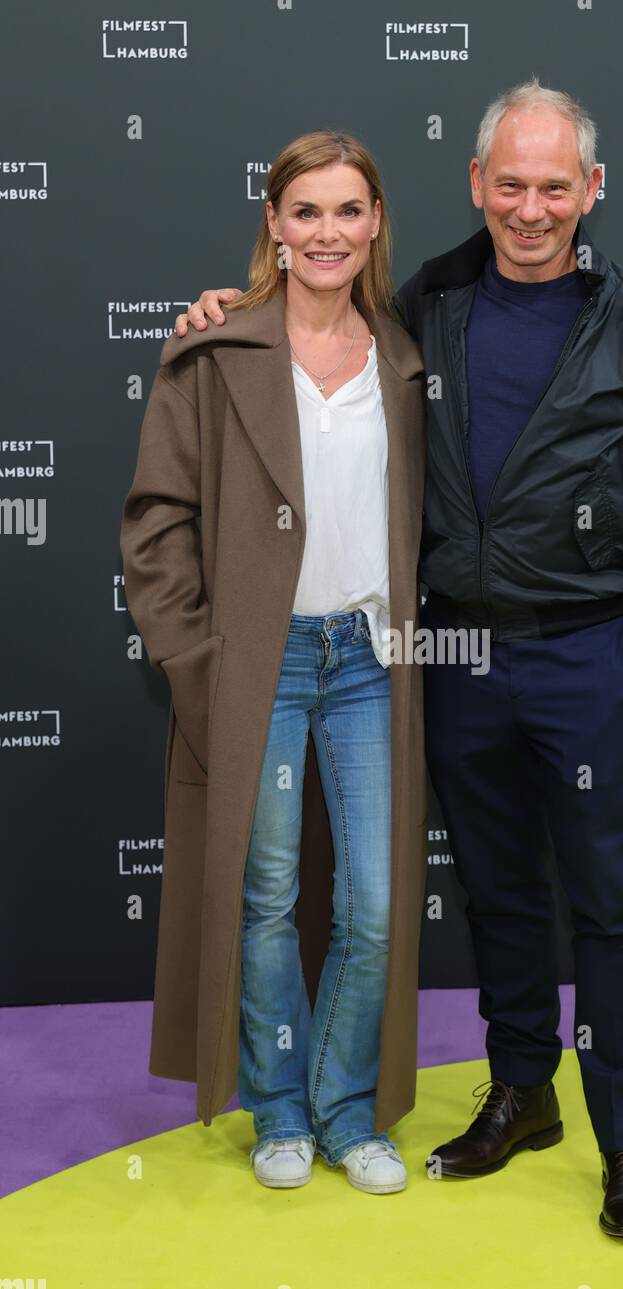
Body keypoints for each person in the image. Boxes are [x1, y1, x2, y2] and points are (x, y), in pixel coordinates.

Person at [174, 79, 623, 1238]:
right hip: (453, 654)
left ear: (591, 190)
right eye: (510, 185)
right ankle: (522, 1091)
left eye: (554, 187)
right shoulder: (425, 302)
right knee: (498, 895)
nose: (531, 209)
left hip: (593, 655)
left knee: (614, 908)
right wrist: (225, 312)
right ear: (476, 185)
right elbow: (304, 325)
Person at [120, 131, 428, 1195]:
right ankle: (281, 1107)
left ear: (376, 221)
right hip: (263, 662)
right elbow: (155, 522)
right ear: (273, 224)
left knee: (376, 903)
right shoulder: (217, 351)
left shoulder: (404, 356)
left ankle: (349, 1111)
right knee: (261, 895)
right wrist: (194, 654)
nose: (328, 232)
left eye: (348, 211)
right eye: (306, 212)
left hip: (368, 661)